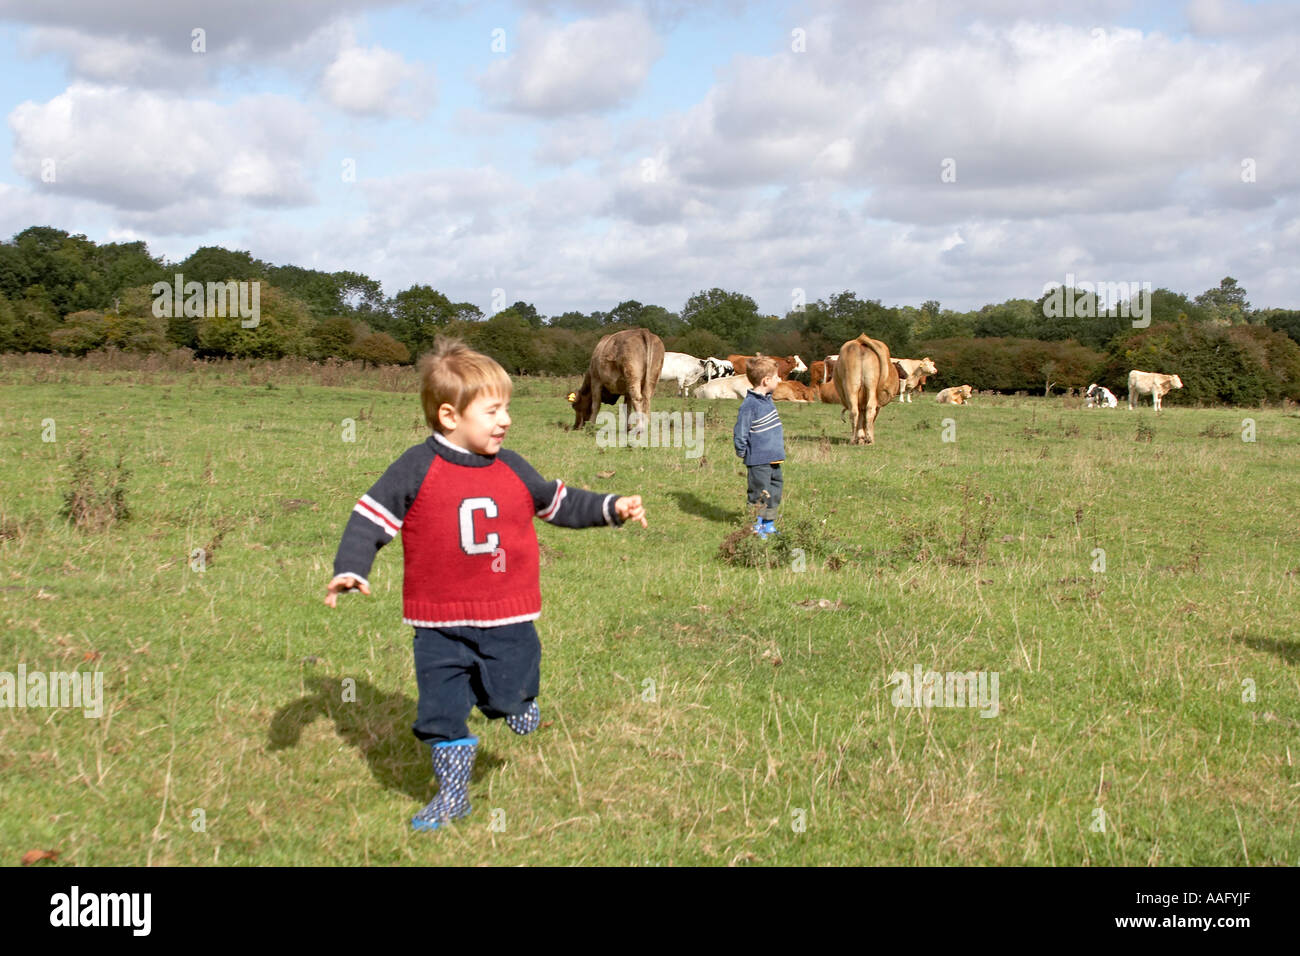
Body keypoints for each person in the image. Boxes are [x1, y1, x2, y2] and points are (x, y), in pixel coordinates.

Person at [324, 338, 647, 831]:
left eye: (507, 409)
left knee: (505, 696)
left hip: (507, 616)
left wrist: (612, 507)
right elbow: (370, 518)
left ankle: (519, 702)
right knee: (440, 714)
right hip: (437, 623)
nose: (506, 420)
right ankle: (453, 797)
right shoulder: (414, 468)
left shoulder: (512, 467)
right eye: (493, 410)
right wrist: (351, 567)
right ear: (450, 416)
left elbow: (559, 503)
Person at [733, 356, 785, 540]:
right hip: (758, 459)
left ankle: (768, 525)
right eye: (776, 377)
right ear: (766, 381)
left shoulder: (767, 400)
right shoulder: (750, 405)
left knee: (774, 491)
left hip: (774, 458)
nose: (780, 380)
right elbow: (741, 430)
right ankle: (755, 526)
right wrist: (741, 449)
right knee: (758, 493)